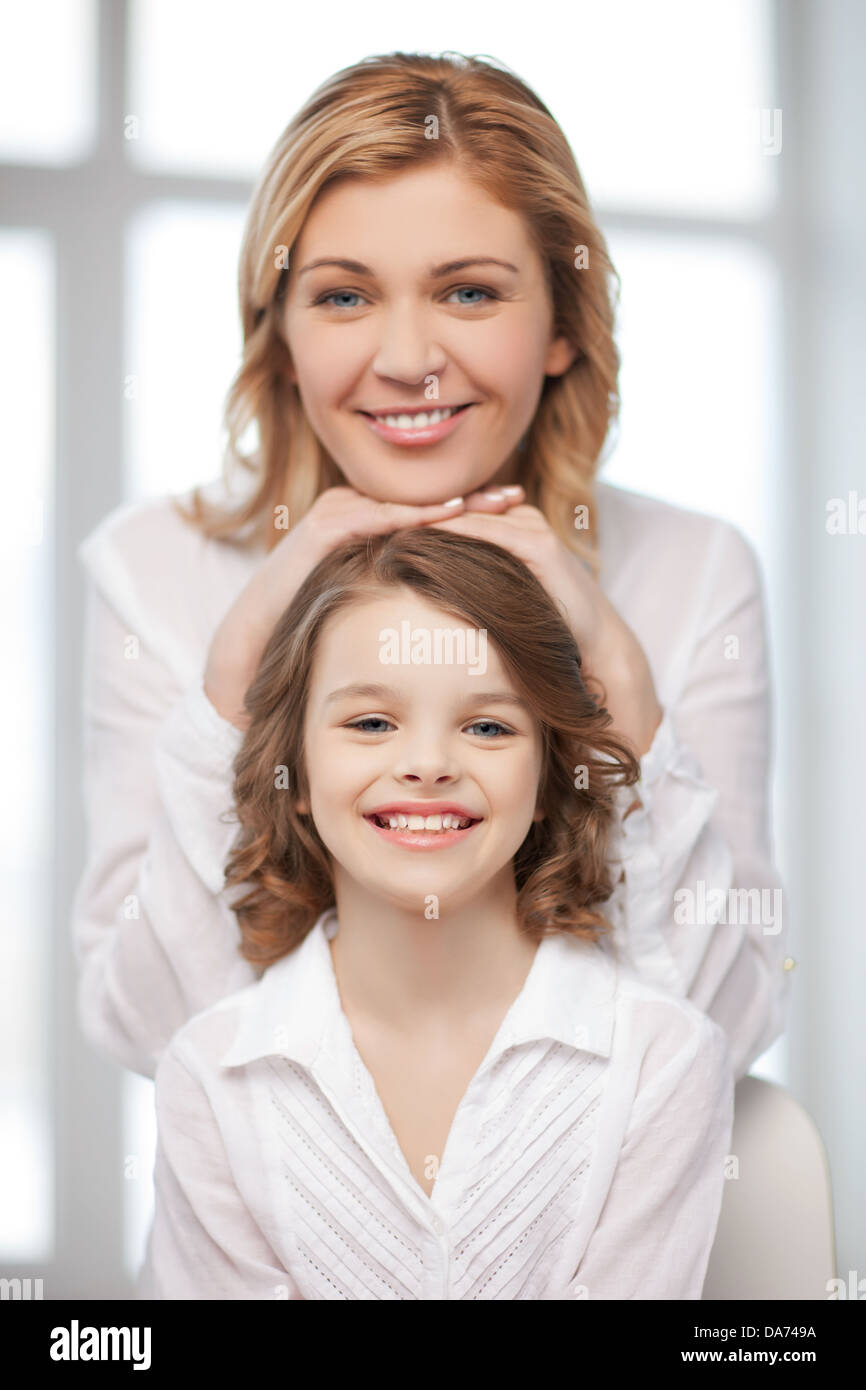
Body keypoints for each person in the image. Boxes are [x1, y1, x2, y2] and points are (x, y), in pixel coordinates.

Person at [71, 52, 789, 1085]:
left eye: (466, 291)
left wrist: (624, 701)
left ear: (559, 325)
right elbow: (151, 1033)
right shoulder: (155, 571)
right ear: (276, 337)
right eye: (342, 297)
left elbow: (724, 1028)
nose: (407, 357)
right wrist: (229, 692)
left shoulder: (692, 572)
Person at [137, 527, 734, 1301]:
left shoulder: (665, 1059)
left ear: (549, 775)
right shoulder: (209, 1077)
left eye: (488, 726)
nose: (428, 763)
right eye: (371, 723)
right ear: (298, 773)